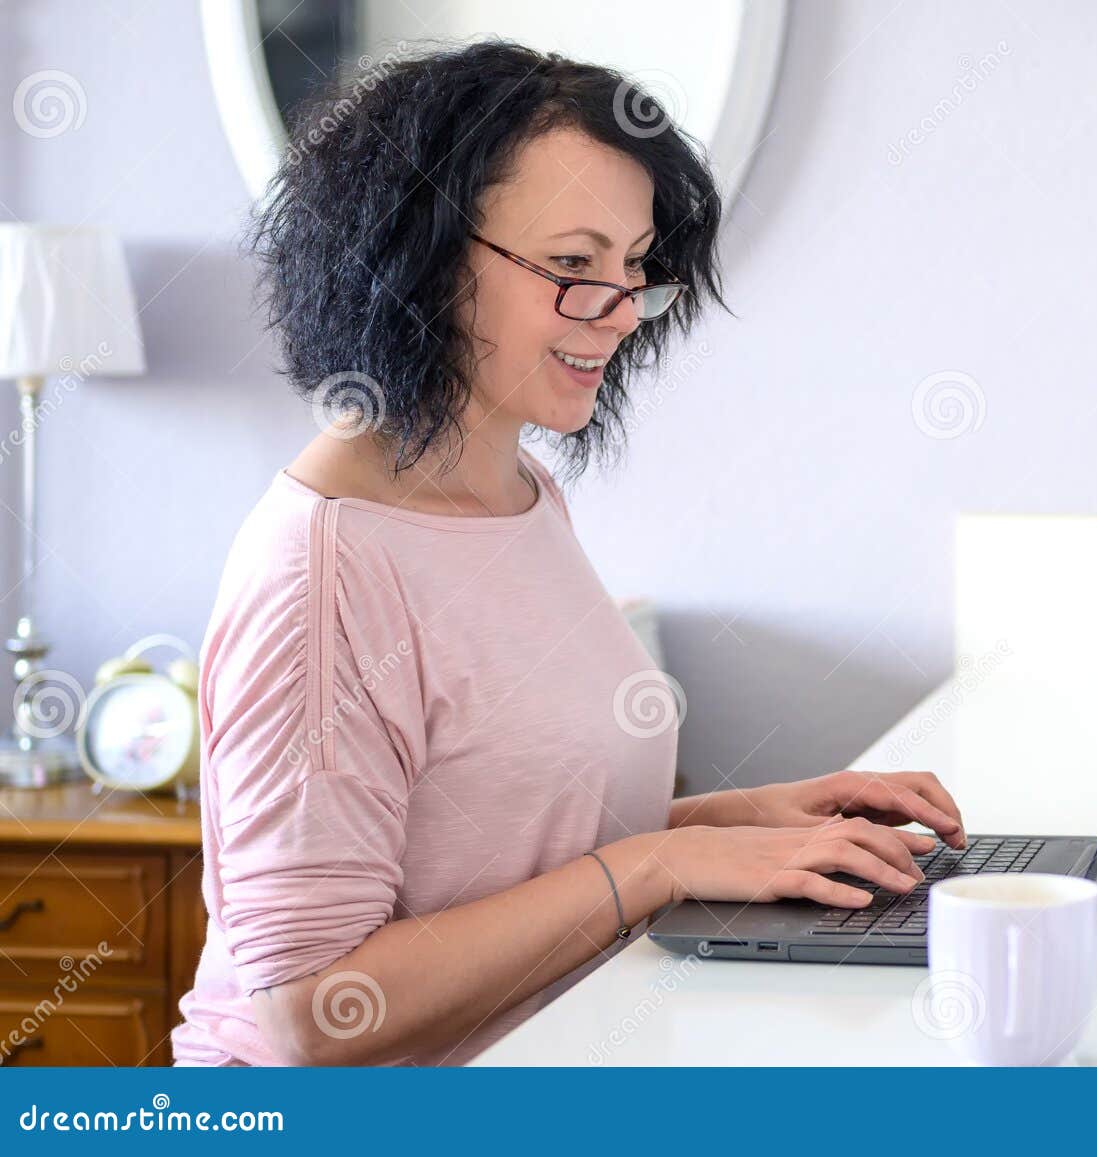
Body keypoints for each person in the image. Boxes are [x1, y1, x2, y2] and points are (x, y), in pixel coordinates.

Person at [172, 40, 966, 1067]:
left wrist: (743, 821)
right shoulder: (322, 572)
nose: (623, 309)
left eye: (633, 266)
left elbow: (499, 842)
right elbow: (313, 1013)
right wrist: (661, 862)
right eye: (573, 264)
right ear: (417, 255)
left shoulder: (517, 493)